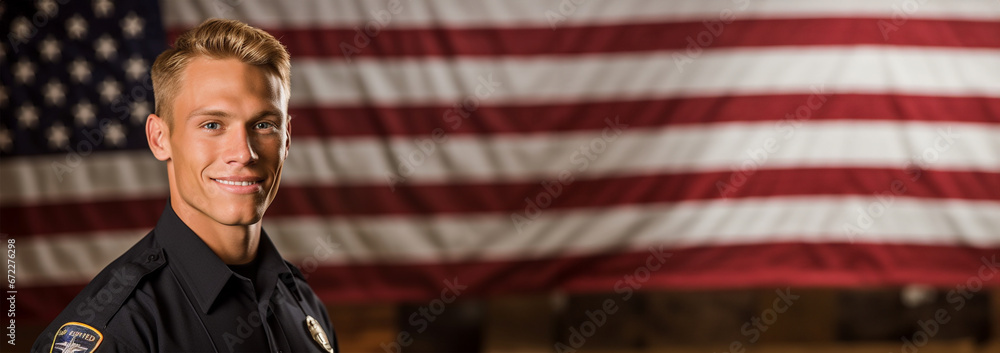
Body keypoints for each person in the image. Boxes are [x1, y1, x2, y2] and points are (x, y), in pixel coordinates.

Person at [32, 18, 337, 353]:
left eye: (264, 124)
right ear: (159, 138)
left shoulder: (303, 303)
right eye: (212, 124)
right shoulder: (119, 329)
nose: (243, 153)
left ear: (287, 138)